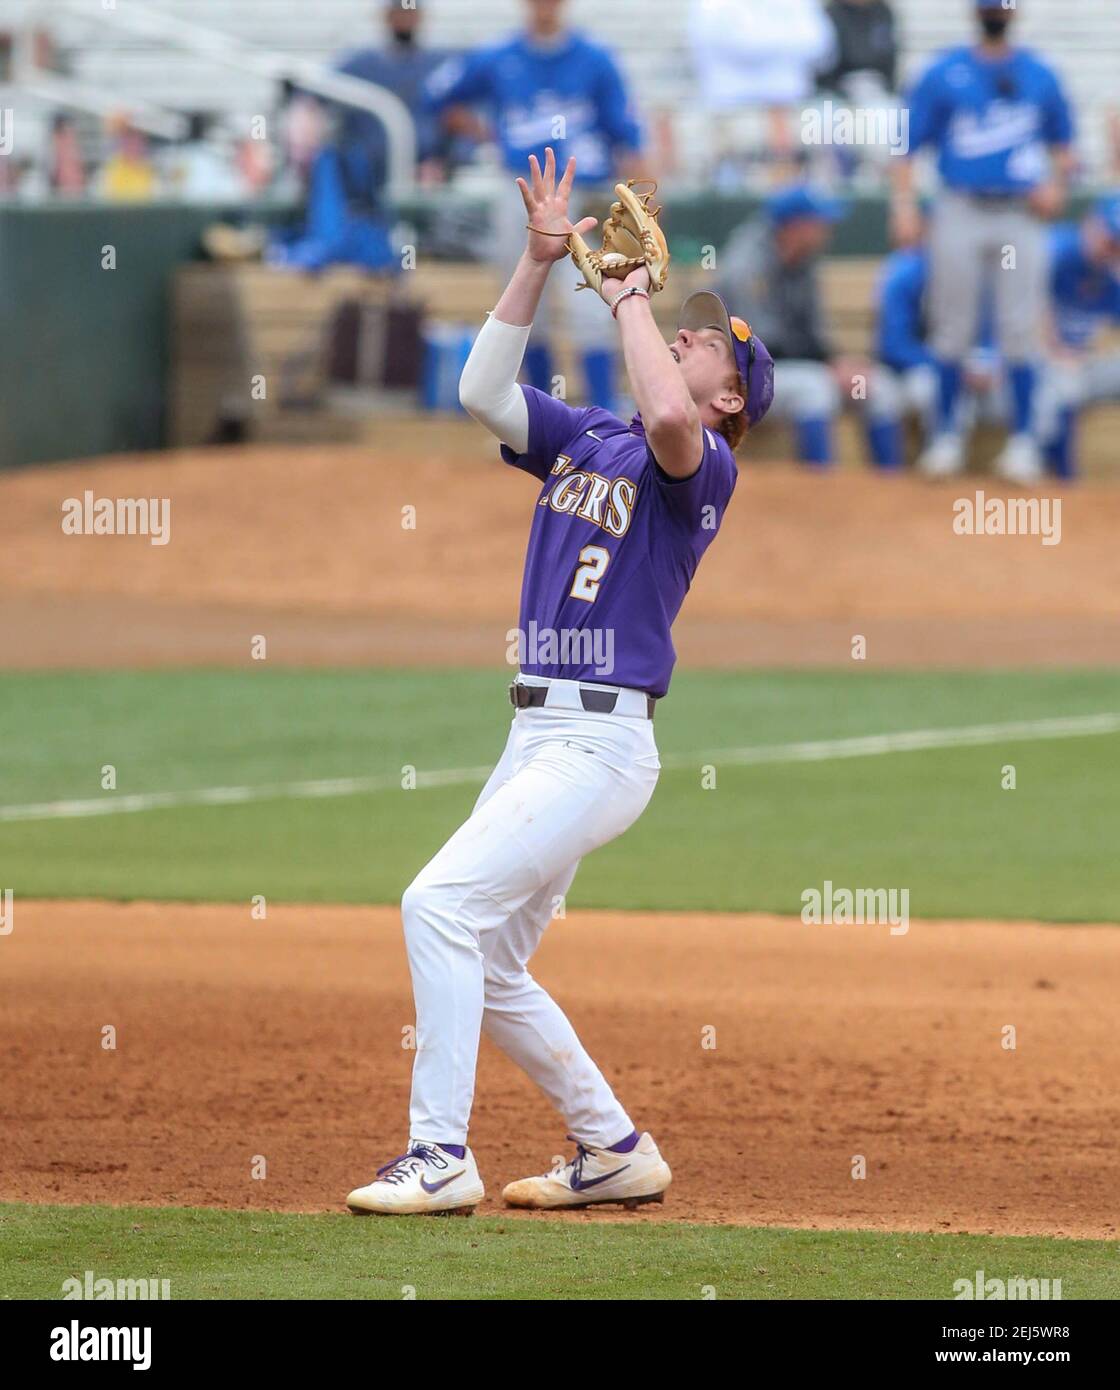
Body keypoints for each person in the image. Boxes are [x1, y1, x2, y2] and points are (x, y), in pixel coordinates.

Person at [345, 148, 774, 1216]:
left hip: (598, 744)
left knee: (436, 904)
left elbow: (670, 420)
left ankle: (439, 1155)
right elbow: (481, 389)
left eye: (707, 342)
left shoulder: (700, 467)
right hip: (535, 737)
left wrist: (628, 302)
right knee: (485, 959)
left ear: (732, 397)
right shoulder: (589, 438)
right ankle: (614, 1148)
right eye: (686, 323)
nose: (688, 330)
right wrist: (539, 262)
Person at [423, 0, 645, 412]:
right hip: (522, 193)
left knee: (592, 304)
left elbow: (626, 134)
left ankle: (603, 420)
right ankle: (542, 415)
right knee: (528, 300)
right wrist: (483, 132)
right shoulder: (498, 56)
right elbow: (436, 95)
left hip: (585, 190)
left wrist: (641, 196)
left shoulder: (595, 58)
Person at [891, 0, 1076, 483]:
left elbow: (1064, 144)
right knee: (952, 327)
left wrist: (1057, 185)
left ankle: (1025, 445)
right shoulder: (945, 71)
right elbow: (906, 144)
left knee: (1020, 330)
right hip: (960, 206)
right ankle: (945, 439)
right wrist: (905, 205)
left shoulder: (1039, 73)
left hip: (1019, 212)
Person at [717, 184, 903, 468]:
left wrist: (839, 362)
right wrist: (828, 366)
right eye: (820, 222)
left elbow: (816, 332)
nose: (827, 229)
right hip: (741, 378)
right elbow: (761, 344)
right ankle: (820, 490)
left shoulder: (803, 260)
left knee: (878, 388)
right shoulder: (746, 263)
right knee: (815, 389)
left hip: (792, 367)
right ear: (796, 226)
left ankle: (891, 489)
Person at [1035, 195, 1120, 478]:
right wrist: (1057, 350)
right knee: (1063, 383)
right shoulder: (1056, 248)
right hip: (1039, 357)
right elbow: (1024, 309)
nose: (1112, 248)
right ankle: (1063, 479)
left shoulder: (1111, 273)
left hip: (1083, 360)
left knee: (1074, 377)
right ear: (1091, 226)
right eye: (1110, 239)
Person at [334, 0, 457, 188]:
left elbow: (463, 120)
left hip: (430, 174)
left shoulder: (442, 64)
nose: (405, 19)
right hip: (370, 177)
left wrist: (444, 163)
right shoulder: (359, 64)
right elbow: (313, 94)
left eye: (410, 12)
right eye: (399, 12)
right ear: (386, 16)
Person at [818, 0, 898, 98]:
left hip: (877, 88)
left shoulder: (882, 12)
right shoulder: (830, 14)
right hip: (836, 92)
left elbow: (887, 54)